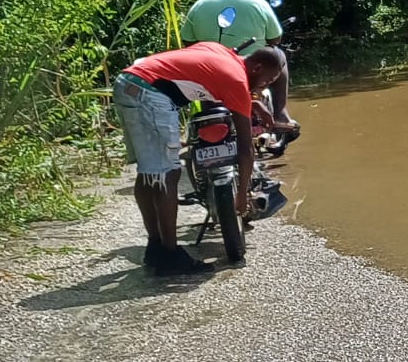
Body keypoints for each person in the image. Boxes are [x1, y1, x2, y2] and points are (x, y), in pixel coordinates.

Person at [113, 43, 283, 275]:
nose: (266, 84)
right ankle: (170, 256)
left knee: (149, 171)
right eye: (268, 79)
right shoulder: (237, 80)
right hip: (150, 94)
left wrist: (252, 103)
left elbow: (208, 82)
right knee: (167, 173)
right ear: (257, 67)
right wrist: (242, 196)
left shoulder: (223, 53)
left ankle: (155, 247)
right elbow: (245, 149)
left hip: (129, 81)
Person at [181, 0, 301, 151]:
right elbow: (275, 39)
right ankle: (281, 114)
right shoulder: (257, 2)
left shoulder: (200, 5)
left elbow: (188, 43)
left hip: (211, 70)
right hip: (250, 68)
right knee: (279, 55)